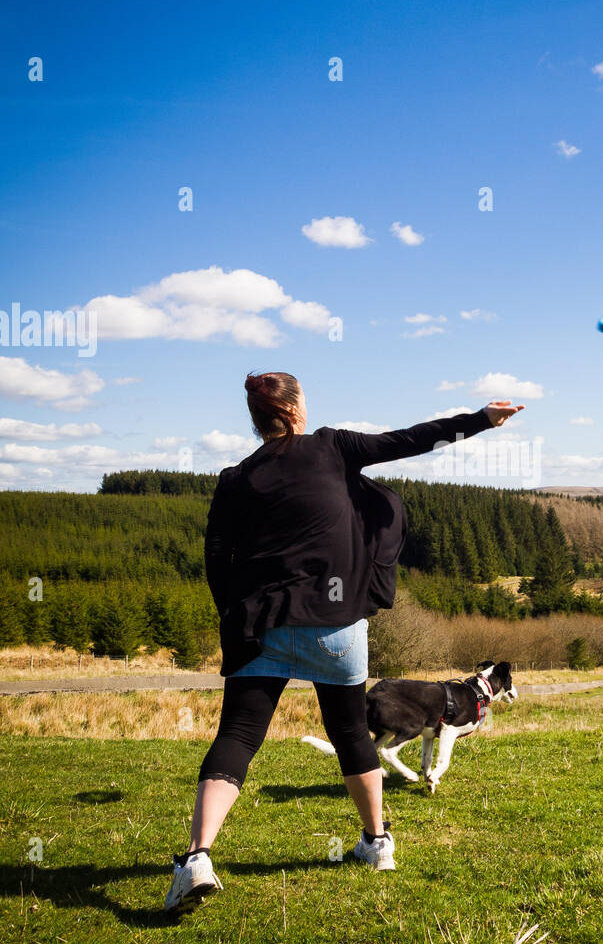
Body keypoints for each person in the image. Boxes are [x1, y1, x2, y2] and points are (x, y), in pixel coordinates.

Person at [164, 373, 523, 911]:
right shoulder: (333, 446)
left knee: (239, 734)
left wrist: (234, 613)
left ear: (258, 419)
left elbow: (217, 557)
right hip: (335, 623)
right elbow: (409, 439)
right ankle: (377, 843)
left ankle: (197, 858)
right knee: (352, 730)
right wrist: (480, 420)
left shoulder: (236, 478)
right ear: (294, 409)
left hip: (261, 622)